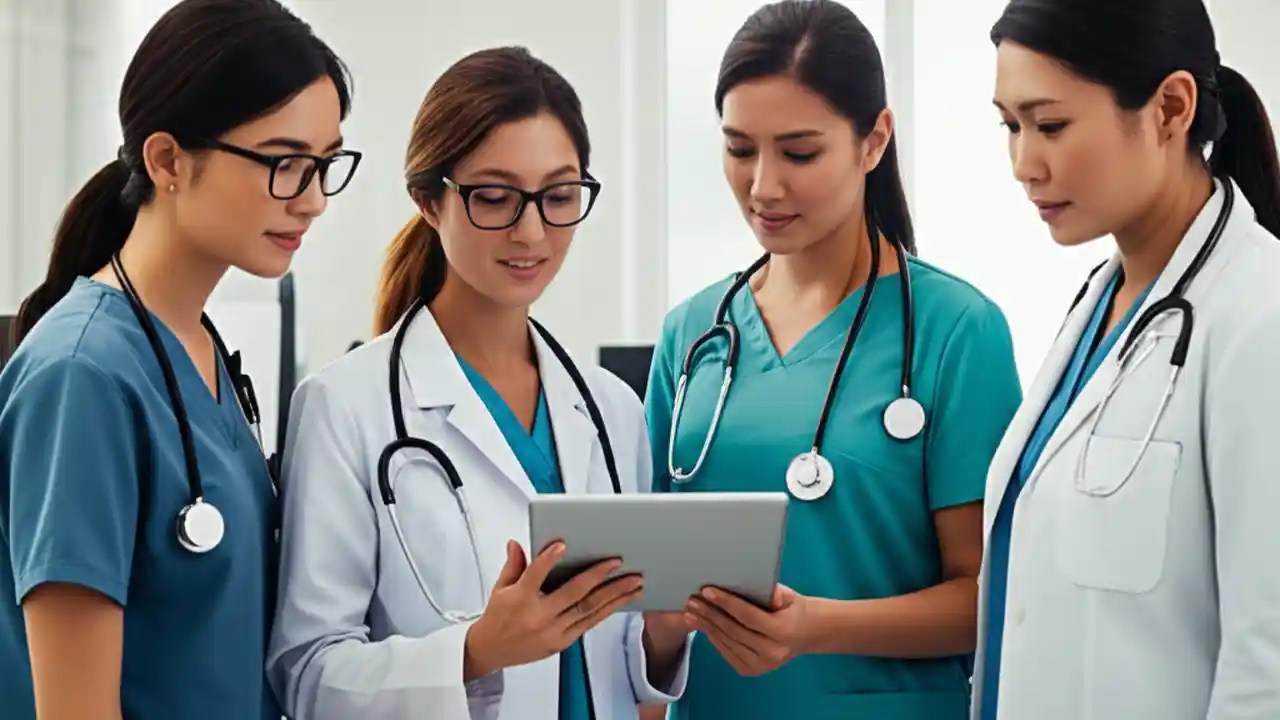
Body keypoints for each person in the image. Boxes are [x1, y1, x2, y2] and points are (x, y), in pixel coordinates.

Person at [267, 46, 692, 720]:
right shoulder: (345, 407)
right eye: (495, 197)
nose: (531, 232)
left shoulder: (612, 410)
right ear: (429, 201)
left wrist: (665, 635)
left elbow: (624, 675)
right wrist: (476, 651)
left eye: (558, 197)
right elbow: (309, 674)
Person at [642, 1, 1023, 718]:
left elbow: (990, 598)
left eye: (799, 152)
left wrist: (815, 627)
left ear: (874, 140)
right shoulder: (692, 335)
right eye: (739, 148)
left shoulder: (956, 332)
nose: (763, 186)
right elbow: (655, 595)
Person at [0, 1, 358, 718]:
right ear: (167, 160)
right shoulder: (83, 377)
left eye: (324, 165)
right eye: (284, 164)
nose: (314, 200)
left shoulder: (200, 351)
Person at [976, 1, 1280, 719]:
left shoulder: (1259, 316)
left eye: (1050, 125)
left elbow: (1266, 666)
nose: (1024, 163)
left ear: (1170, 108)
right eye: (1010, 126)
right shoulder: (1101, 305)